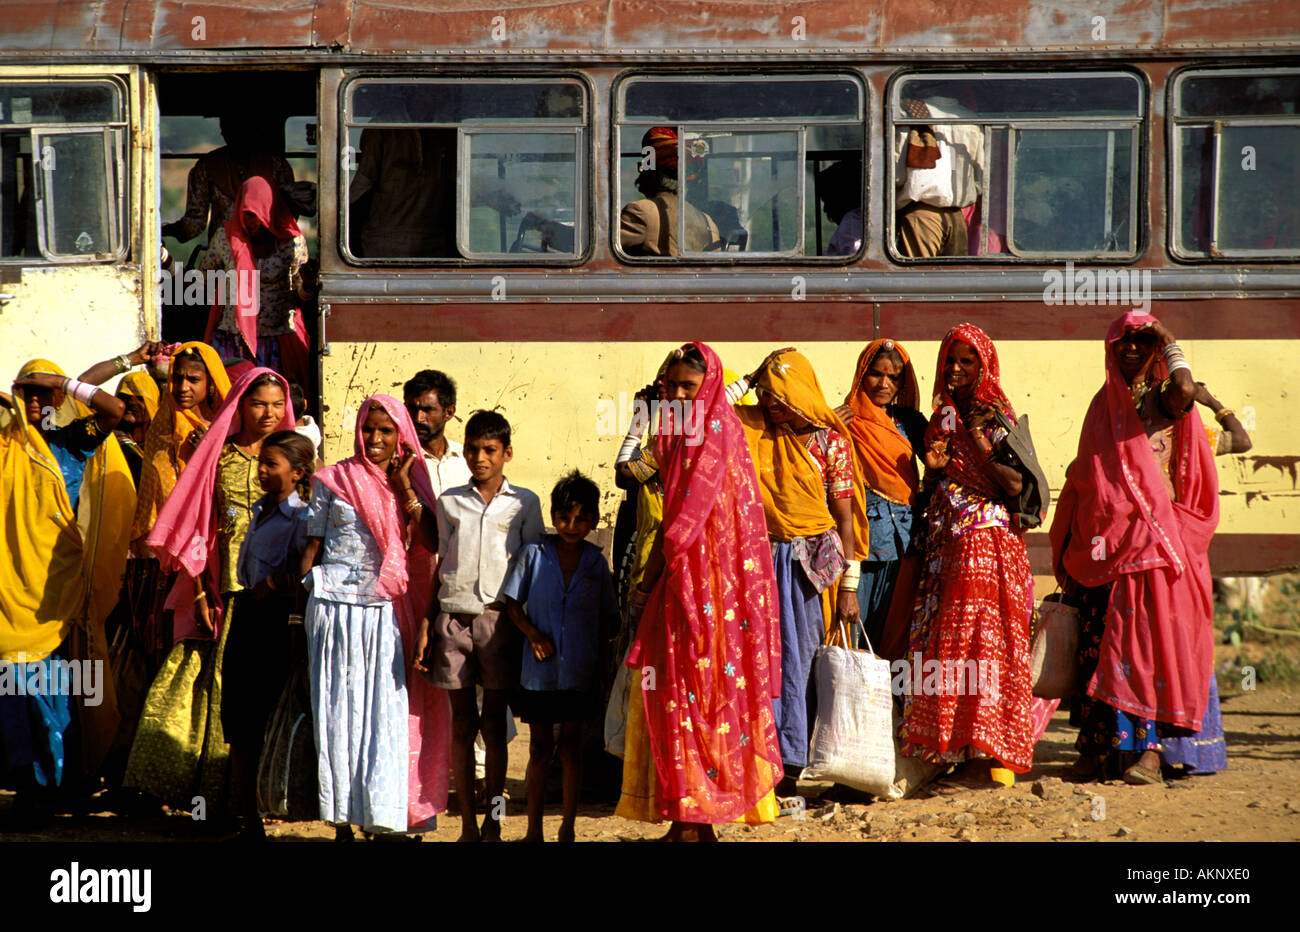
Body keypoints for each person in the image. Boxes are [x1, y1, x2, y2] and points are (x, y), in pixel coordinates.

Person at [617, 342, 783, 841]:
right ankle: (684, 817)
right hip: (682, 584)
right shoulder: (672, 435)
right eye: (672, 387)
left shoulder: (715, 436)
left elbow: (681, 527)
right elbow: (628, 472)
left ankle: (699, 821)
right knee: (676, 695)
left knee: (705, 697)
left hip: (714, 593)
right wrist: (643, 416)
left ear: (707, 387)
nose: (680, 396)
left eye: (689, 387)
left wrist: (647, 585)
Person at [1052, 312, 1219, 785]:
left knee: (1141, 645)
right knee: (1098, 646)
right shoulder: (1102, 405)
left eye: (1141, 341)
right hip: (1103, 545)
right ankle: (1095, 750)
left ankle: (1148, 753)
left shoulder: (1165, 399)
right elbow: (1089, 478)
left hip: (1150, 540)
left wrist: (1168, 341)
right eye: (1122, 340)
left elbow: (1187, 392)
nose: (1130, 348)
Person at [124, 368, 296, 823]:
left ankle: (265, 795)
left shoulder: (292, 457)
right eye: (260, 403)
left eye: (277, 405)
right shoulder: (220, 455)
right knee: (214, 690)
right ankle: (210, 798)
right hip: (227, 592)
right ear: (240, 404)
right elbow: (198, 525)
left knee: (269, 692)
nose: (269, 413)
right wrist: (200, 590)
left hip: (278, 597)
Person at [899, 323, 1034, 789]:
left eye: (966, 361)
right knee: (949, 647)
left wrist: (978, 437)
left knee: (982, 644)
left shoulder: (995, 413)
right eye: (949, 361)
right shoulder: (942, 417)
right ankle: (955, 749)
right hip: (947, 542)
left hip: (986, 542)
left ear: (984, 365)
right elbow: (938, 480)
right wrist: (933, 475)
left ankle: (985, 755)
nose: (955, 370)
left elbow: (1014, 486)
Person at [1, 354, 136, 816]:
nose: (36, 403)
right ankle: (28, 788)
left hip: (54, 589)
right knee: (14, 687)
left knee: (55, 687)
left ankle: (60, 783)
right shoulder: (4, 445)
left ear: (59, 399)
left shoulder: (73, 443)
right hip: (7, 588)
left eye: (46, 395)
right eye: (28, 393)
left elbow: (114, 412)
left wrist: (64, 379)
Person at [299, 394, 439, 839]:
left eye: (385, 431)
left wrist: (405, 488)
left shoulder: (410, 481)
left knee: (383, 712)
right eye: (368, 430)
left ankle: (380, 814)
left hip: (383, 610)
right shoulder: (333, 479)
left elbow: (432, 544)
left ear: (401, 435)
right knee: (336, 711)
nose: (375, 439)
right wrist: (304, 607)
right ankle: (340, 819)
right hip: (332, 610)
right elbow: (313, 547)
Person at [728, 348, 865, 797]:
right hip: (760, 560)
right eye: (764, 393)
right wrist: (749, 378)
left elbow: (846, 521)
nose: (769, 402)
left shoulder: (831, 443)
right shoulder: (756, 429)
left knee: (803, 660)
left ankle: (798, 758)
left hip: (810, 569)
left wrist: (849, 586)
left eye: (778, 393)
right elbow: (714, 410)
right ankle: (766, 758)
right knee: (760, 658)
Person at [414, 410, 543, 842]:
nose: (480, 458)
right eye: (472, 449)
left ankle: (495, 818)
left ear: (507, 453)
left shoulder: (523, 502)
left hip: (500, 619)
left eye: (489, 450)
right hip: (453, 615)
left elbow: (532, 566)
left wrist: (527, 625)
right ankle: (468, 824)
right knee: (462, 725)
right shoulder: (450, 501)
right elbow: (442, 564)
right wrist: (429, 621)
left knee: (494, 727)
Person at [502, 471, 618, 842]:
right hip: (539, 673)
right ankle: (533, 830)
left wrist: (602, 669)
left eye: (581, 519)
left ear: (594, 521)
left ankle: (567, 828)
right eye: (565, 517)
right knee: (539, 747)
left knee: (571, 748)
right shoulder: (534, 554)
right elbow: (512, 606)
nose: (571, 526)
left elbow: (606, 622)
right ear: (553, 516)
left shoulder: (597, 565)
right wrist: (533, 635)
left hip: (580, 672)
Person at [224, 430, 314, 840]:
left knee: (274, 713)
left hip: (279, 624)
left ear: (297, 473)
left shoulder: (302, 519)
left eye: (270, 465)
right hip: (248, 616)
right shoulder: (260, 510)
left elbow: (310, 575)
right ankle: (249, 820)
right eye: (260, 463)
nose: (261, 471)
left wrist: (278, 584)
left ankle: (280, 804)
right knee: (241, 719)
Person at [839, 339, 930, 658]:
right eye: (876, 374)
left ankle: (891, 707)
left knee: (898, 641)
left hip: (906, 545)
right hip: (861, 549)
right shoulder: (844, 421)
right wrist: (824, 427)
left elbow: (940, 466)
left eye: (893, 378)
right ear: (862, 374)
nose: (884, 384)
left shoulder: (912, 424)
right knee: (854, 636)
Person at [198, 176, 318, 385]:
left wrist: (307, 284)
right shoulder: (226, 238)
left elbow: (300, 293)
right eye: (245, 215)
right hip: (232, 339)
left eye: (255, 215)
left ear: (269, 210)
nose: (250, 223)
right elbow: (204, 275)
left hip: (276, 342)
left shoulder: (292, 242)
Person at [162, 112, 295, 245]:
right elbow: (288, 217)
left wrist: (166, 230)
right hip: (261, 252)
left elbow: (194, 224)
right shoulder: (276, 165)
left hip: (229, 251)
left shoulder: (207, 167)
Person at [894, 96, 984, 257]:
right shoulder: (969, 118)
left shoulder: (908, 112)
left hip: (922, 214)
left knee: (918, 277)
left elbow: (897, 173)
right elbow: (981, 173)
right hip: (956, 217)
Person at [620, 127, 721, 257]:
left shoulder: (641, 211)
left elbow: (605, 253)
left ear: (652, 174)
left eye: (644, 167)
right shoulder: (708, 221)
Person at [404, 369, 470, 497]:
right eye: (412, 409)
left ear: (449, 412)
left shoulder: (466, 460)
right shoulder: (400, 460)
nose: (419, 418)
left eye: (428, 410)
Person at [115, 370, 162, 488]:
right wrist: (131, 359)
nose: (131, 402)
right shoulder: (109, 437)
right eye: (125, 397)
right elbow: (83, 381)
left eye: (140, 398)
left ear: (153, 406)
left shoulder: (161, 444)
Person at [817, 159, 864, 256]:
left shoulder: (852, 221)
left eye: (827, 201)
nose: (825, 209)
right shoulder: (858, 221)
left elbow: (852, 257)